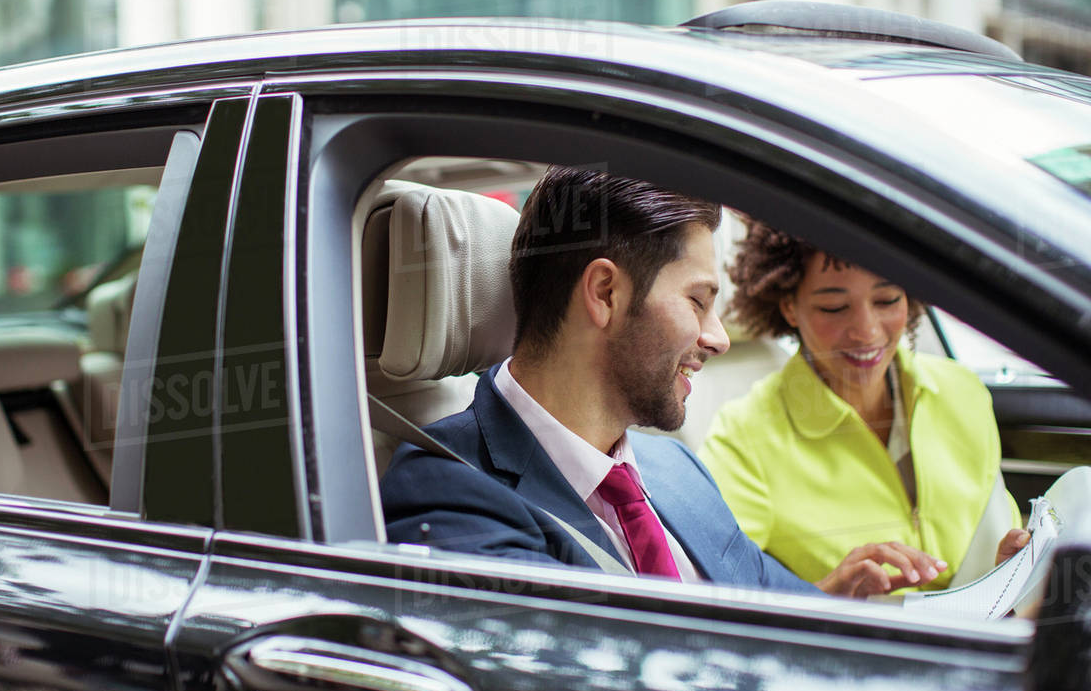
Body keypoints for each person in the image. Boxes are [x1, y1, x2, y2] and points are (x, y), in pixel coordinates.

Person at [380, 167, 946, 597]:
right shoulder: (448, 493)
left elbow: (777, 608)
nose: (719, 339)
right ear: (605, 293)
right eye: (698, 301)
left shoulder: (677, 470)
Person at [698, 219, 1029, 591]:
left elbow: (993, 534)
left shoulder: (961, 391)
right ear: (790, 307)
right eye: (835, 307)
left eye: (888, 300)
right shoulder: (745, 437)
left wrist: (1007, 570)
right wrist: (828, 597)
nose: (867, 331)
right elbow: (721, 604)